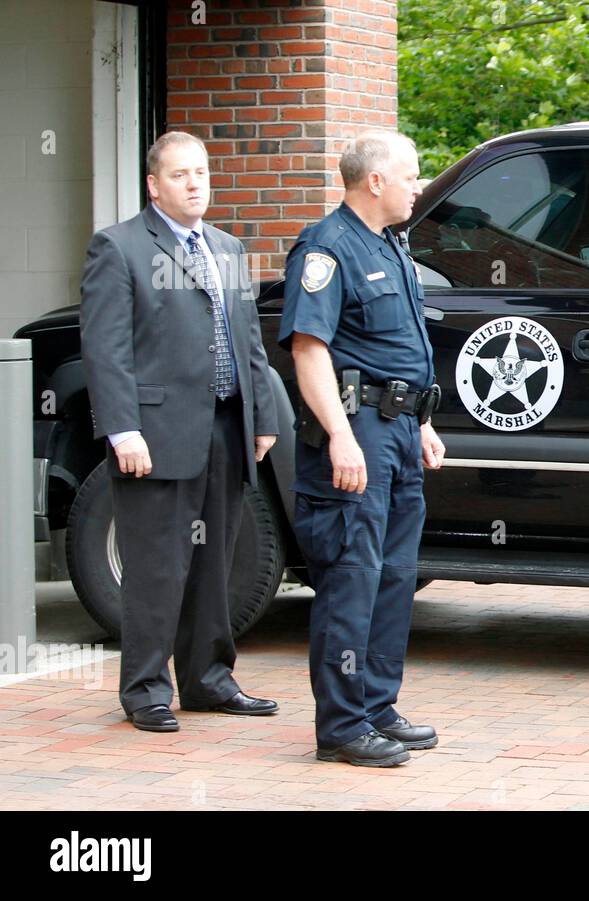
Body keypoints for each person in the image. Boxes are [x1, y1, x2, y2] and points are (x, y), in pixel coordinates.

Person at [80, 131, 280, 732]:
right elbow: (105, 351)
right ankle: (145, 690)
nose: (195, 184)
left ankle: (208, 680)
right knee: (156, 567)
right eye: (180, 175)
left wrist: (263, 417)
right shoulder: (118, 249)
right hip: (155, 435)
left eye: (201, 172)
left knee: (214, 562)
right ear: (153, 184)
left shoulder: (228, 248)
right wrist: (122, 432)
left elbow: (249, 341)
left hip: (225, 427)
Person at [279, 131, 446, 767]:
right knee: (352, 579)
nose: (418, 186)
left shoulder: (390, 246)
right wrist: (344, 437)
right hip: (356, 435)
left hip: (399, 433)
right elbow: (308, 349)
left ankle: (377, 706)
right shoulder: (327, 248)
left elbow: (397, 354)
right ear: (374, 181)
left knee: (394, 578)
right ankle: (343, 727)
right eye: (411, 175)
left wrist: (420, 422)